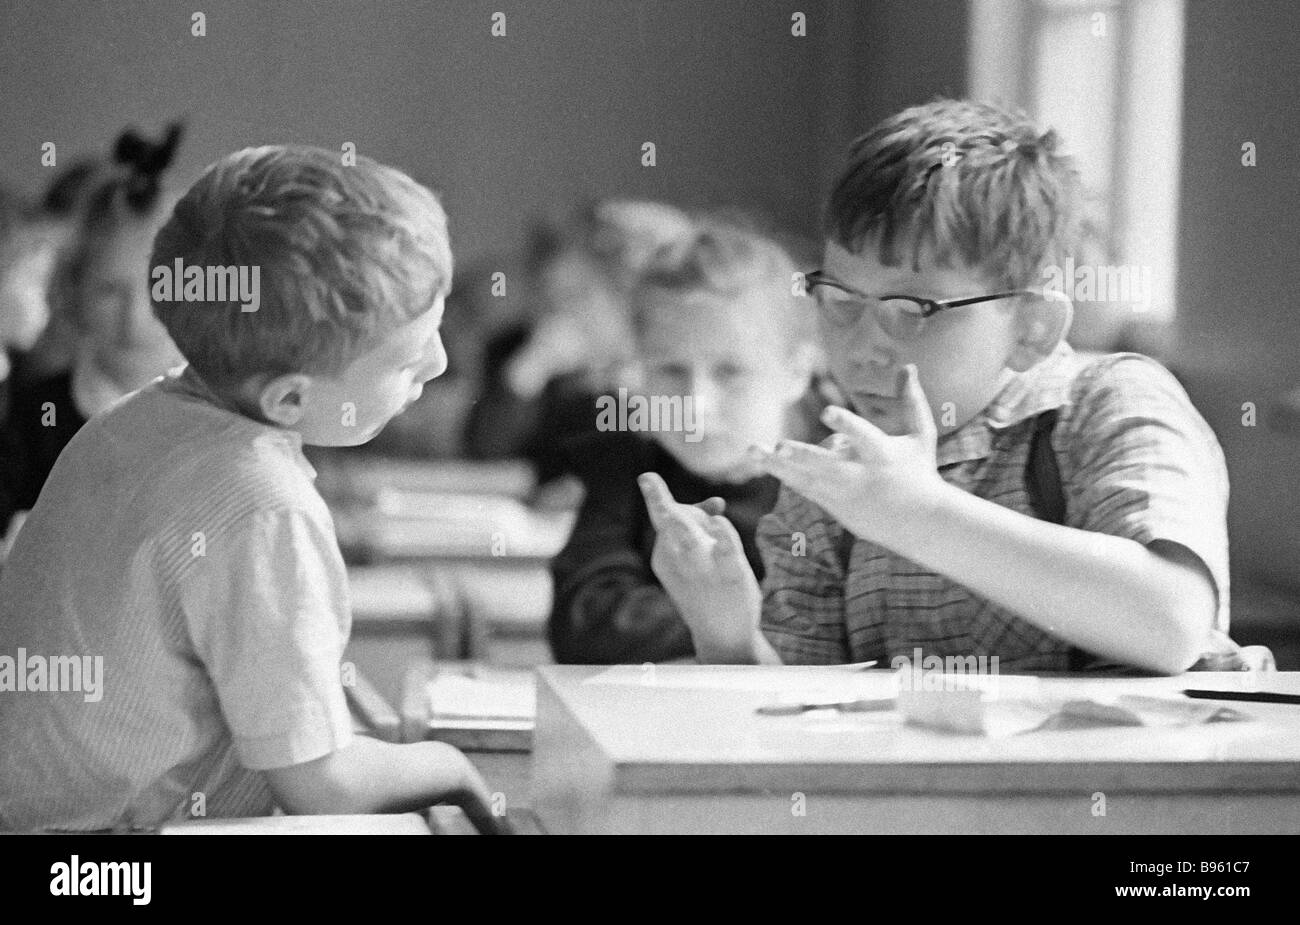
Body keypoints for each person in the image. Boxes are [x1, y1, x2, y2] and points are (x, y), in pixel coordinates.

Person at [0, 145, 507, 832]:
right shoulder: (263, 505)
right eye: (409, 358)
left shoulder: (132, 419)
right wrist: (450, 763)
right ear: (291, 398)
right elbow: (321, 785)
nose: (440, 362)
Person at [640, 99, 1234, 675]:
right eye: (842, 301)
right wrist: (730, 639)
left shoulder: (1107, 404)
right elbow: (796, 713)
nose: (864, 345)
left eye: (913, 307)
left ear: (1032, 327)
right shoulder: (831, 479)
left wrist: (920, 515)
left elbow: (1172, 622)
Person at [550, 217, 822, 663]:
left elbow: (832, 638)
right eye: (671, 371)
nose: (695, 406)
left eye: (730, 372)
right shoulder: (628, 464)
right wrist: (740, 624)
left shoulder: (832, 484)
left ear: (796, 372)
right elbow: (585, 622)